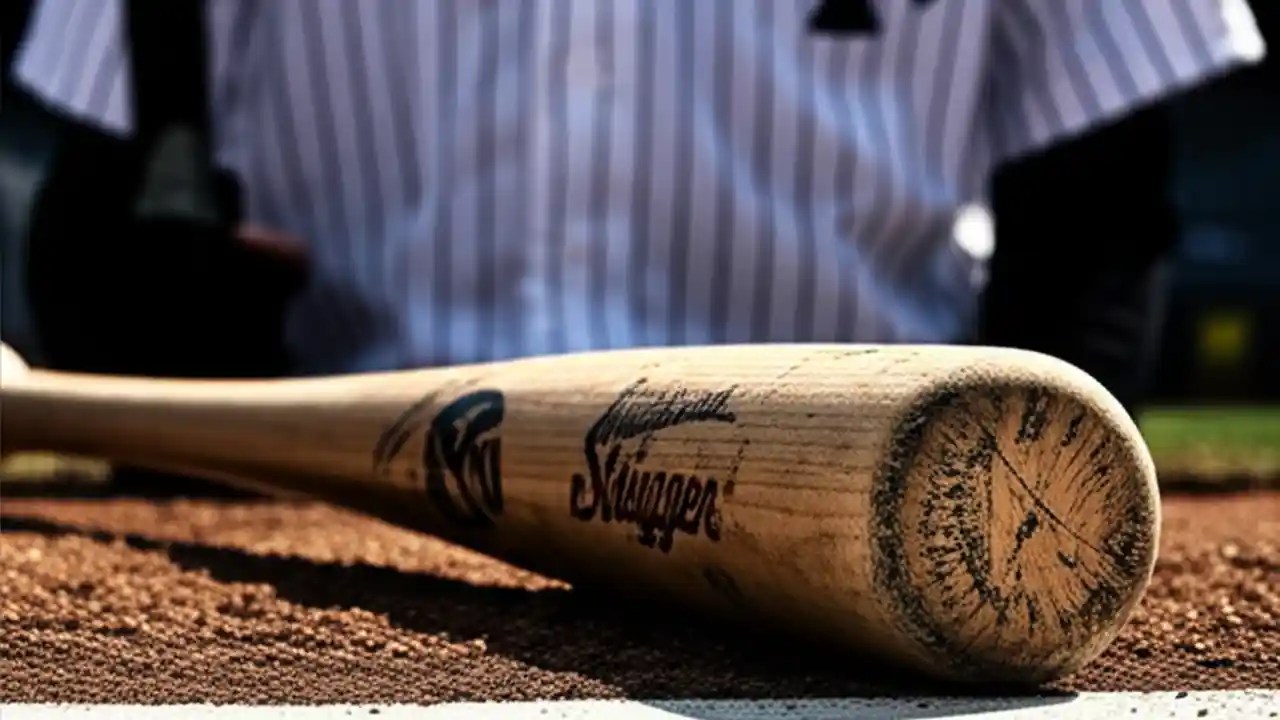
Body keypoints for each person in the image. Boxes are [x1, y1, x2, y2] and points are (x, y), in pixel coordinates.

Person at [7, 0, 1267, 414]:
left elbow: (1097, 219)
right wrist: (155, 300)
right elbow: (103, 225)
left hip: (836, 526)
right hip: (343, 526)